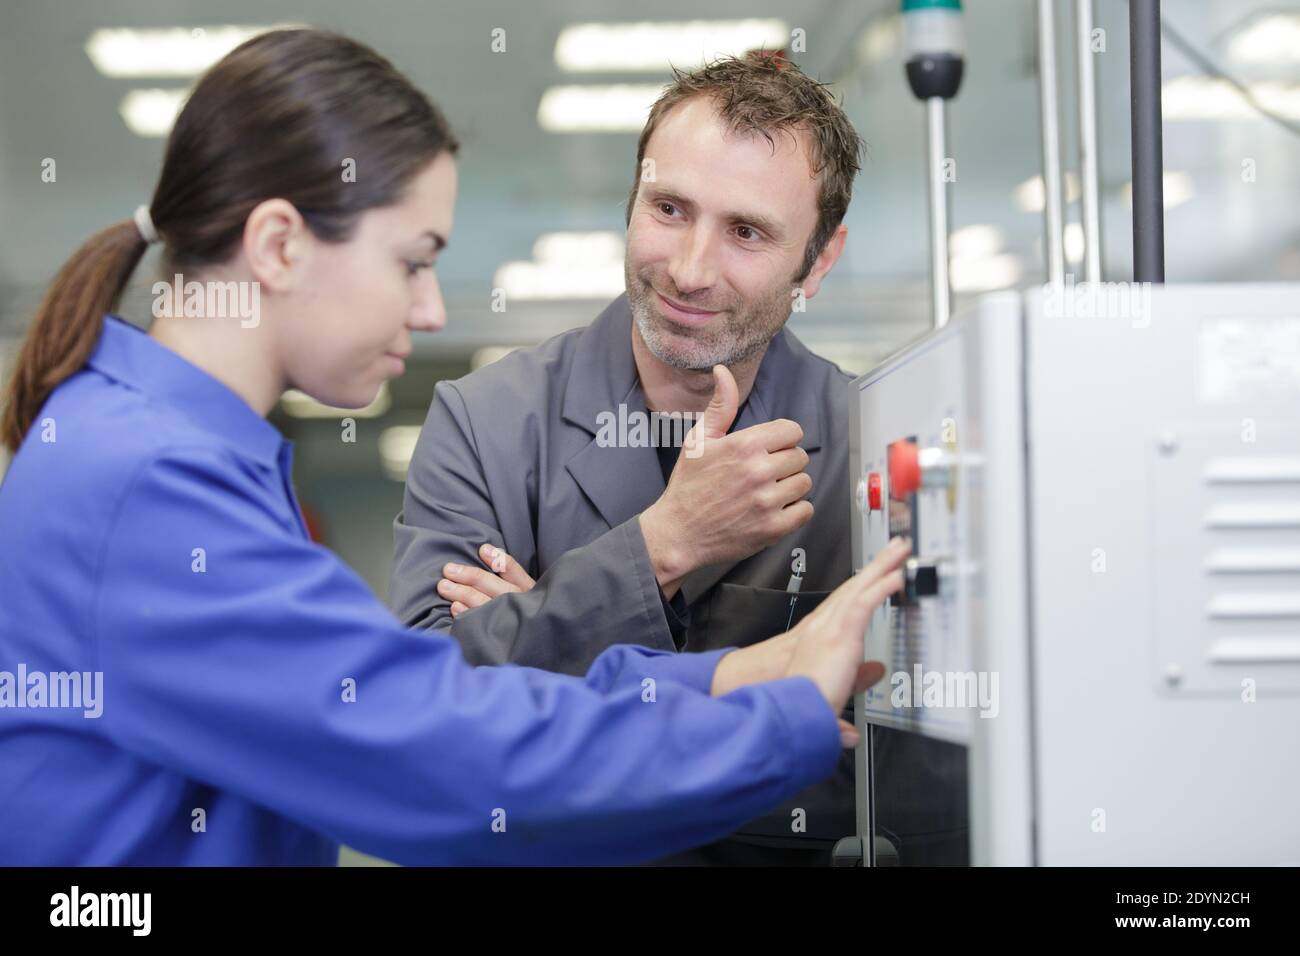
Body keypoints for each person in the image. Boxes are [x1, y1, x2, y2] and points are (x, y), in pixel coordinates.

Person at [0, 28, 910, 866]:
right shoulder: (154, 481)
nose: (432, 309)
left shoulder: (171, 455)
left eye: (747, 231)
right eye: (413, 259)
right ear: (278, 245)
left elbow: (432, 698)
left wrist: (736, 672)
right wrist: (778, 714)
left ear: (815, 259)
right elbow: (437, 742)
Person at [389, 53, 879, 864]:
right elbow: (426, 705)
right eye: (670, 208)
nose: (690, 269)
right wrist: (663, 546)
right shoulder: (486, 422)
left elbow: (887, 754)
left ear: (818, 261)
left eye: (747, 232)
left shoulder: (864, 438)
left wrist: (537, 637)